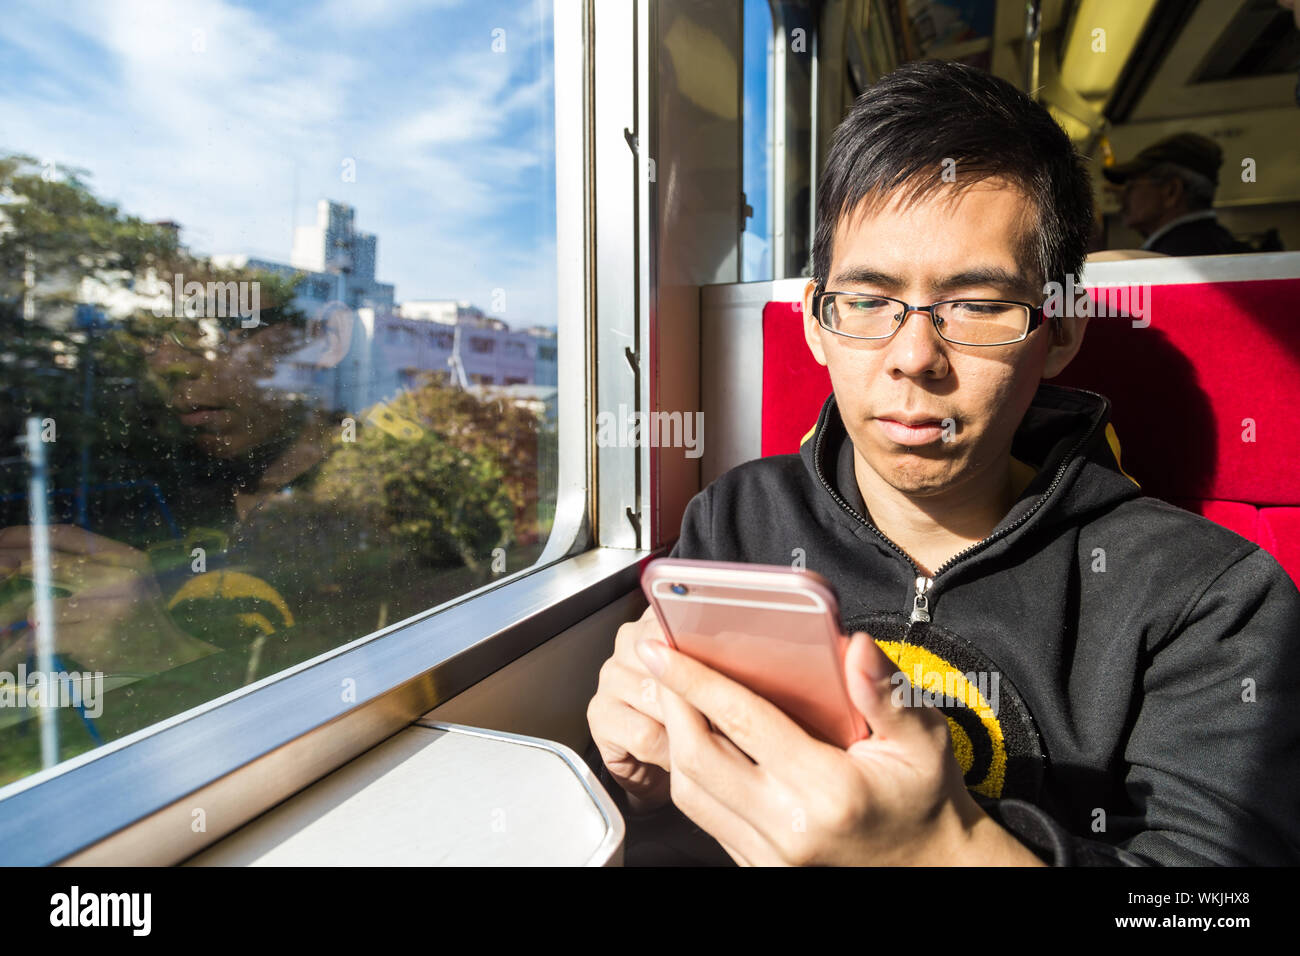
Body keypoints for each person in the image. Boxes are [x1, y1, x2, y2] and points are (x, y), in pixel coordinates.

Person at [585, 59, 1300, 866]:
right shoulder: (737, 520)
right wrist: (642, 783)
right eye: (867, 301)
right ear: (816, 323)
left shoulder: (1210, 600)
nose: (914, 356)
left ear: (1061, 331)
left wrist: (945, 850)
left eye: (978, 305)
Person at [1103, 132, 1251, 256]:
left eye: (1131, 185)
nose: (1121, 196)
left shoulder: (1163, 260)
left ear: (1171, 191)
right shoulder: (1225, 245)